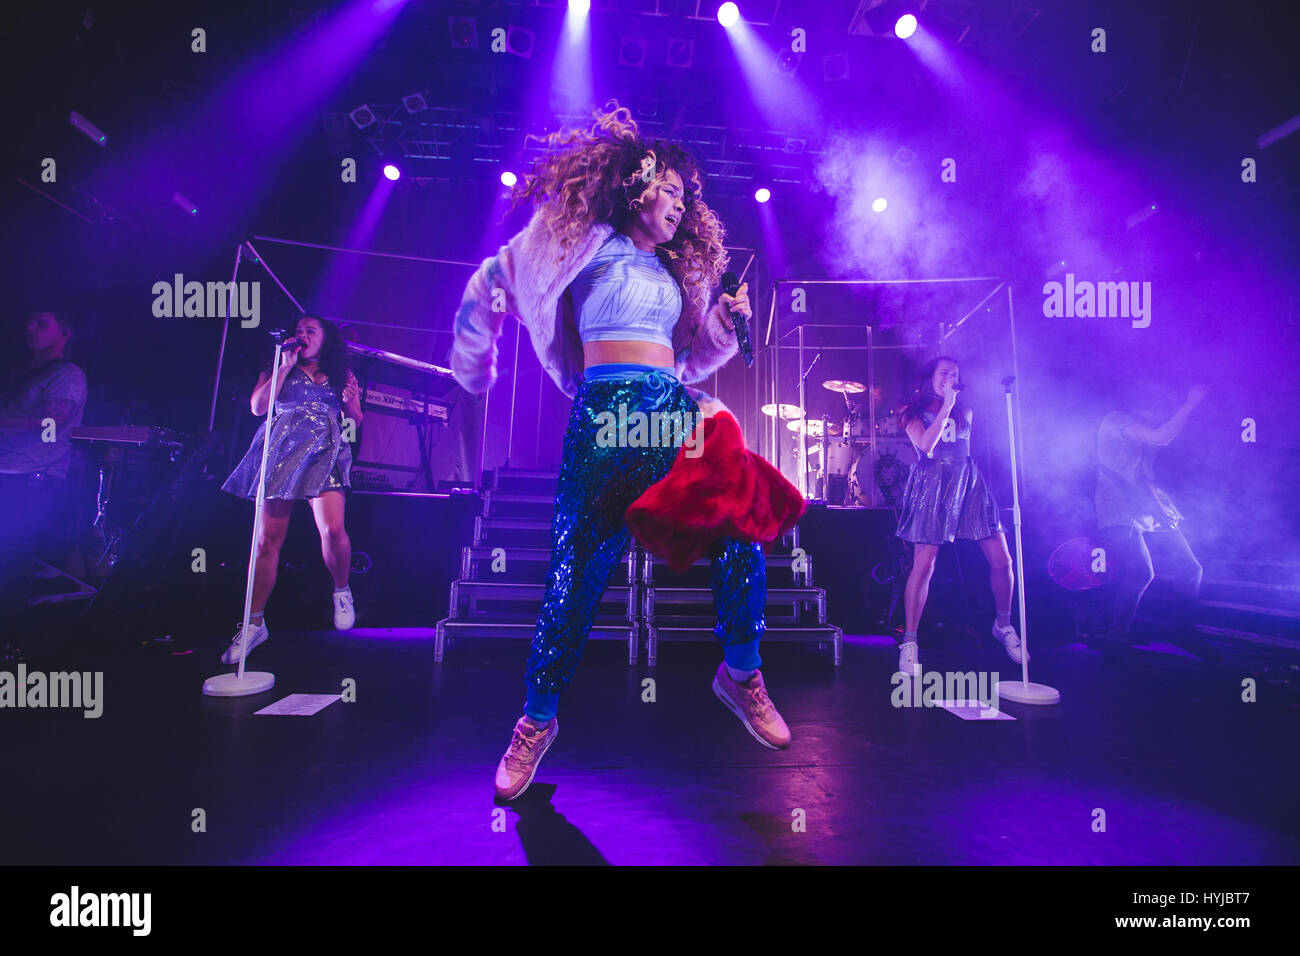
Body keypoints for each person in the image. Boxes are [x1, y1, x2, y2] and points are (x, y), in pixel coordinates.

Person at [452, 101, 792, 803]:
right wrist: (474, 356)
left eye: (688, 196)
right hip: (605, 423)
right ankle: (536, 723)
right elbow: (492, 277)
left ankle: (741, 671)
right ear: (637, 182)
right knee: (574, 577)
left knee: (738, 521)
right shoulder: (580, 242)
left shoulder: (678, 276)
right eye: (671, 188)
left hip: (667, 412)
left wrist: (723, 325)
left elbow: (690, 362)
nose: (681, 203)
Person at [218, 314, 363, 662]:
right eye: (298, 330)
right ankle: (254, 625)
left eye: (310, 331)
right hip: (282, 451)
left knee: (332, 530)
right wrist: (283, 366)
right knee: (267, 542)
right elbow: (257, 408)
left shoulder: (342, 374)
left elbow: (355, 421)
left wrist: (351, 402)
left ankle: (342, 590)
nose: (302, 335)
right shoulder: (277, 366)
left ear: (325, 338)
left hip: (325, 452)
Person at [895, 356, 1022, 676]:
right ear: (930, 377)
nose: (950, 378)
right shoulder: (910, 411)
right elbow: (925, 446)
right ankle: (910, 642)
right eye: (944, 373)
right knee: (924, 564)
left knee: (1003, 560)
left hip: (968, 482)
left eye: (955, 374)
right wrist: (947, 407)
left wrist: (953, 407)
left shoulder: (966, 410)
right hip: (932, 484)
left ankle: (1003, 625)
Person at [0, 311, 88, 656]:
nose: (30, 327)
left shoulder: (67, 374)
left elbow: (51, 423)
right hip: (7, 470)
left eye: (41, 323)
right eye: (29, 321)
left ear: (64, 332)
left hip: (29, 476)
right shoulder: (19, 373)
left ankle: (9, 639)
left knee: (12, 556)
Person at [1094, 384, 1206, 650]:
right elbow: (1161, 437)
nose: (1157, 412)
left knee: (1191, 569)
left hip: (1144, 510)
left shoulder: (1146, 441)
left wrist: (1164, 505)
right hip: (1117, 511)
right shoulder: (1115, 420)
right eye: (1152, 406)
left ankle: (1182, 630)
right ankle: (1116, 640)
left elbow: (1145, 478)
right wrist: (1190, 403)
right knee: (1141, 572)